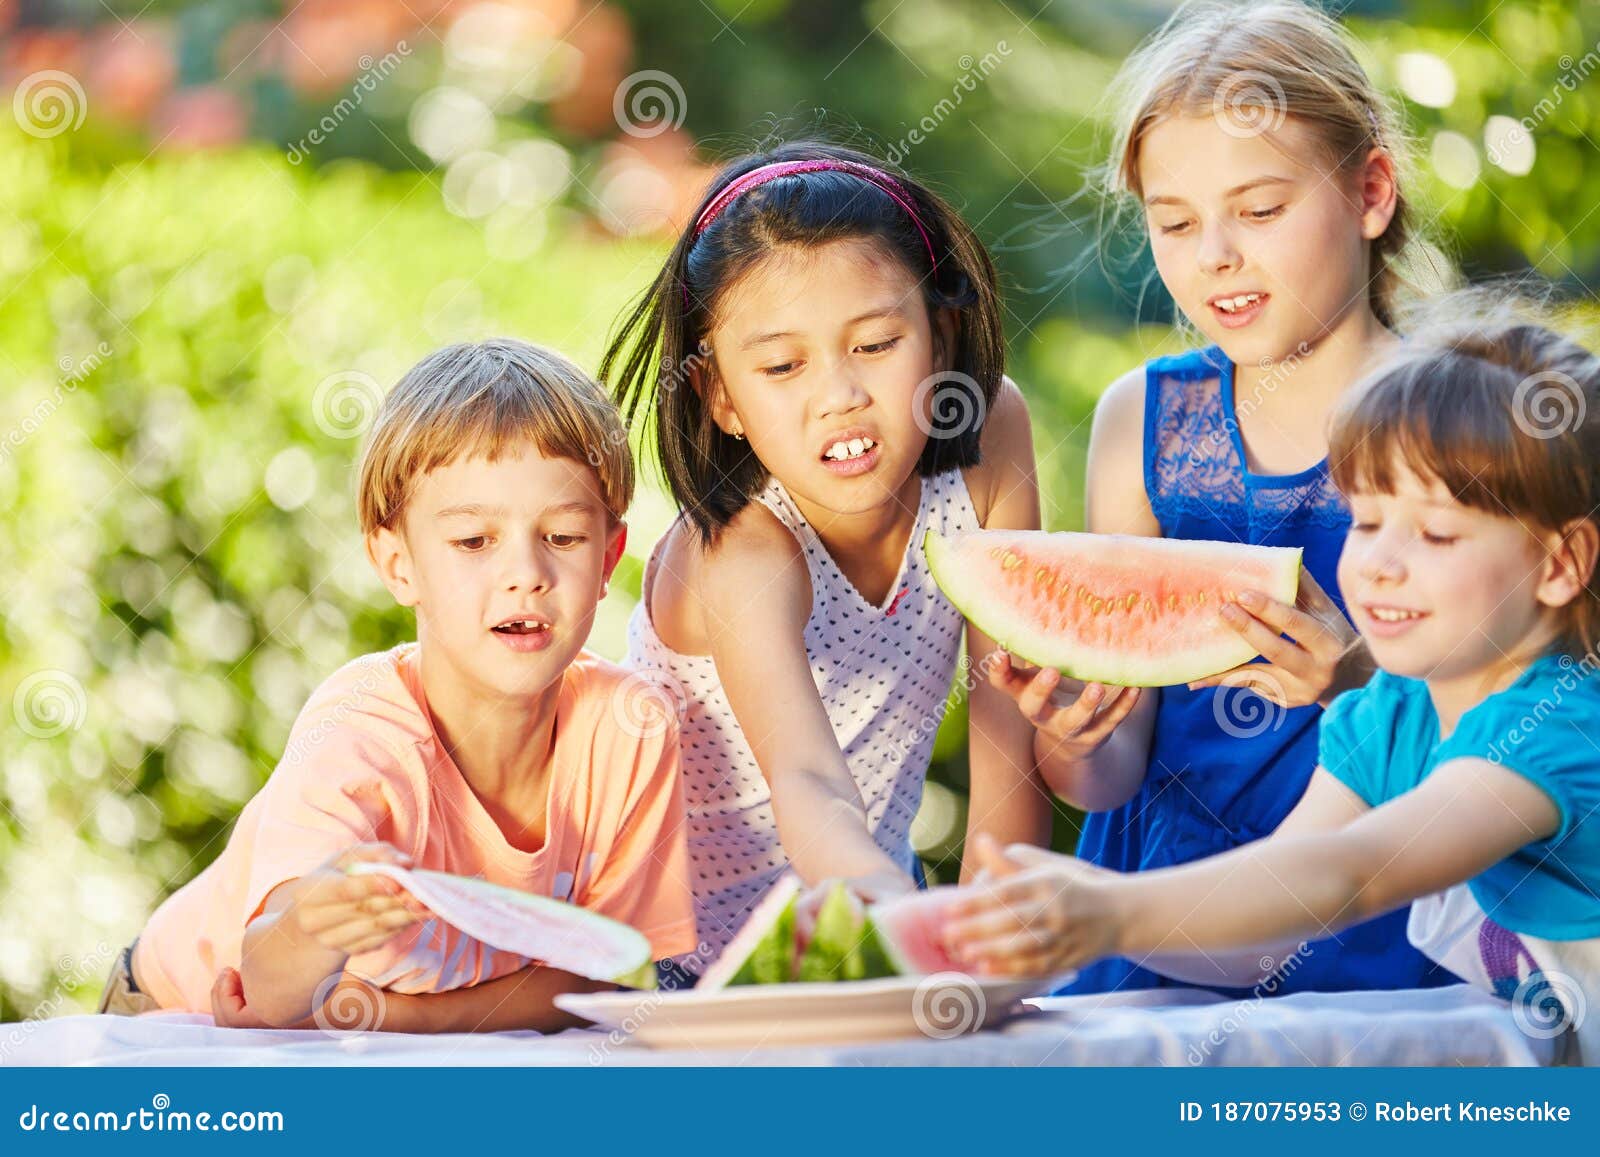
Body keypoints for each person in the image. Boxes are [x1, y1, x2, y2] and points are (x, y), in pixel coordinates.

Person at [950, 301, 1600, 1063]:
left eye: (1435, 533)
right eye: (1364, 520)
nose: (1380, 563)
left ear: (1560, 565)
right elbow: (1266, 940)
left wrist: (1109, 908)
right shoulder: (1393, 714)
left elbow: (1350, 874)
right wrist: (1066, 928)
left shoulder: (1557, 727)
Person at [988, 0, 1452, 994]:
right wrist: (1073, 733)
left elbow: (1525, 734)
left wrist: (1360, 677)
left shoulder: (1465, 420)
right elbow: (1111, 772)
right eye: (1175, 223)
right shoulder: (1143, 423)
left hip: (1389, 938)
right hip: (1163, 932)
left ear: (1370, 189)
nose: (1214, 258)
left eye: (1260, 209)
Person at [99, 340, 697, 1030]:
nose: (526, 572)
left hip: (382, 1037)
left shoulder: (630, 728)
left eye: (562, 536)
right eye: (474, 542)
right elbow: (268, 995)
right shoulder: (360, 737)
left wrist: (403, 1015)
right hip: (175, 1014)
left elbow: (606, 977)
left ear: (608, 557)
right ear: (397, 562)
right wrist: (315, 929)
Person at [602, 141, 1052, 970]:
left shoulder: (994, 437)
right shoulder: (739, 551)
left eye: (877, 345)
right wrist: (897, 917)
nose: (839, 397)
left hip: (877, 905)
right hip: (688, 970)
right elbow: (807, 781)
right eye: (781, 365)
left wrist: (1000, 946)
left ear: (941, 337)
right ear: (722, 398)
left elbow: (1007, 734)